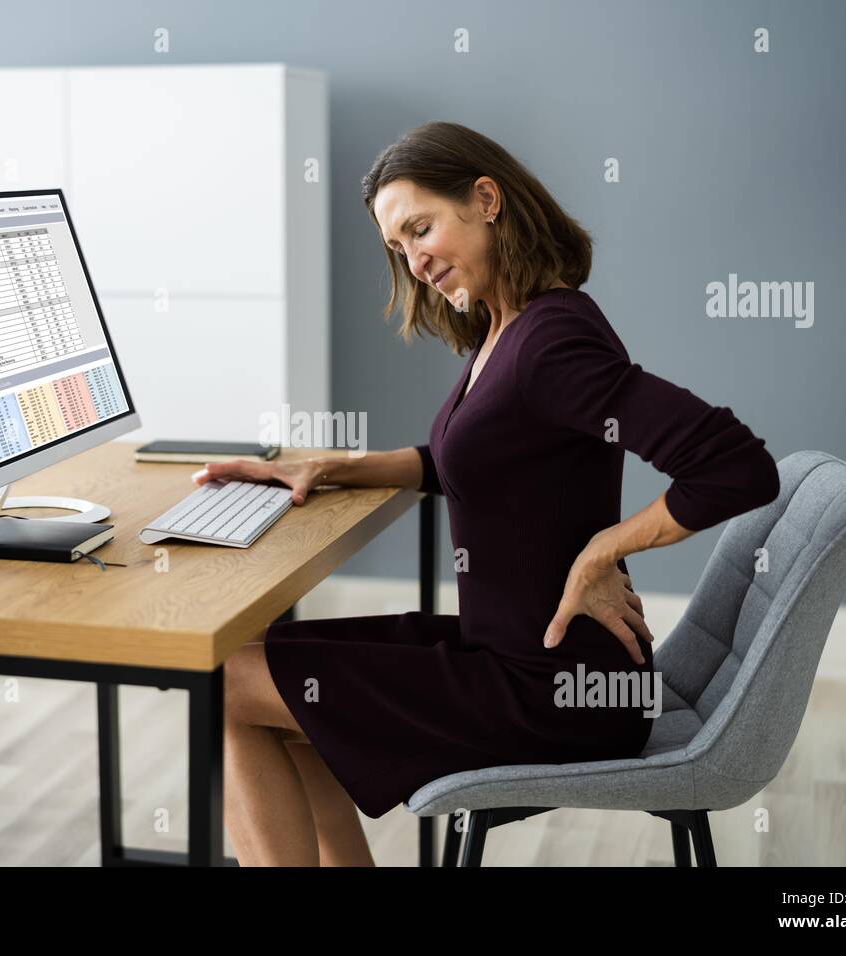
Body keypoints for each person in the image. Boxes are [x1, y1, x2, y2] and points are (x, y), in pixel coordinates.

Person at [196, 121, 780, 866]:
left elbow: (735, 466)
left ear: (486, 198)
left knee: (226, 688)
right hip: (507, 655)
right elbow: (471, 462)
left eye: (421, 228)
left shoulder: (551, 342)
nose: (414, 259)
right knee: (266, 682)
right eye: (397, 247)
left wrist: (604, 550)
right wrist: (331, 467)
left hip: (556, 691)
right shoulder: (507, 327)